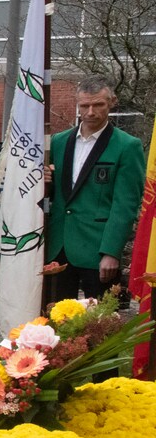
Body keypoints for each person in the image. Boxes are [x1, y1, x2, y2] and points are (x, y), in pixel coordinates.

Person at [47, 75, 146, 300]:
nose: (91, 112)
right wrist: (44, 182)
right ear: (78, 105)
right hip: (58, 247)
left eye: (98, 105)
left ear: (112, 102)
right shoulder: (57, 142)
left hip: (97, 250)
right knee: (54, 322)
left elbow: (125, 205)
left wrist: (111, 252)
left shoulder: (127, 146)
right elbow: (52, 195)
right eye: (84, 106)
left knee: (100, 324)